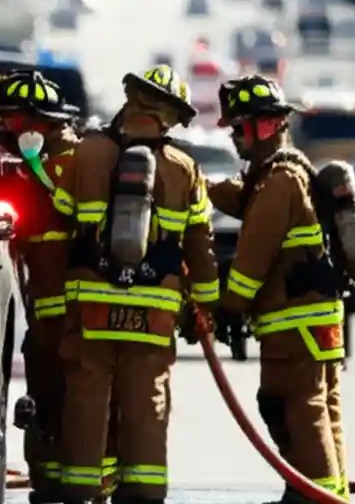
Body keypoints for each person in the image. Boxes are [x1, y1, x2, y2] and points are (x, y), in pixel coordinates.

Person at [58, 64, 220, 504]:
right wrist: (205, 307)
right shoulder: (184, 168)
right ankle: (144, 490)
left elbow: (59, 220)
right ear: (170, 115)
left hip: (89, 301)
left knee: (88, 394)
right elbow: (200, 249)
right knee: (146, 399)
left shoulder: (86, 153)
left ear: (131, 98)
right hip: (153, 308)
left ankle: (80, 488)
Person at [206, 74, 349, 502]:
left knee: (290, 404)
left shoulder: (278, 183)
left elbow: (253, 257)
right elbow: (242, 197)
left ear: (263, 127)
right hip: (317, 315)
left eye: (238, 129)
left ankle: (314, 496)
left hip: (293, 320)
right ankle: (327, 490)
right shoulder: (289, 172)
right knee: (322, 406)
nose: (234, 138)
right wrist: (199, 185)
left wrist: (230, 309)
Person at [0, 68, 82, 503]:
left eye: (12, 122)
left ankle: (74, 481)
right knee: (44, 396)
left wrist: (35, 167)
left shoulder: (74, 165)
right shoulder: (30, 167)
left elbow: (69, 211)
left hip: (74, 315)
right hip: (45, 314)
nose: (4, 131)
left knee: (71, 395)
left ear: (38, 123)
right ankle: (48, 482)